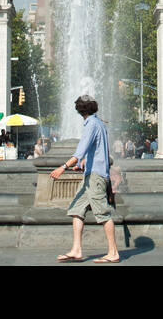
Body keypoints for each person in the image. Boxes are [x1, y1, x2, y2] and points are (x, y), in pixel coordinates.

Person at [51, 95, 120, 263]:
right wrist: (83, 164)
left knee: (103, 213)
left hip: (96, 176)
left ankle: (113, 252)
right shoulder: (98, 123)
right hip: (91, 174)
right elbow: (95, 150)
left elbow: (80, 151)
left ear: (79, 110)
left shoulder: (91, 124)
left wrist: (63, 167)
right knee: (76, 209)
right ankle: (76, 250)